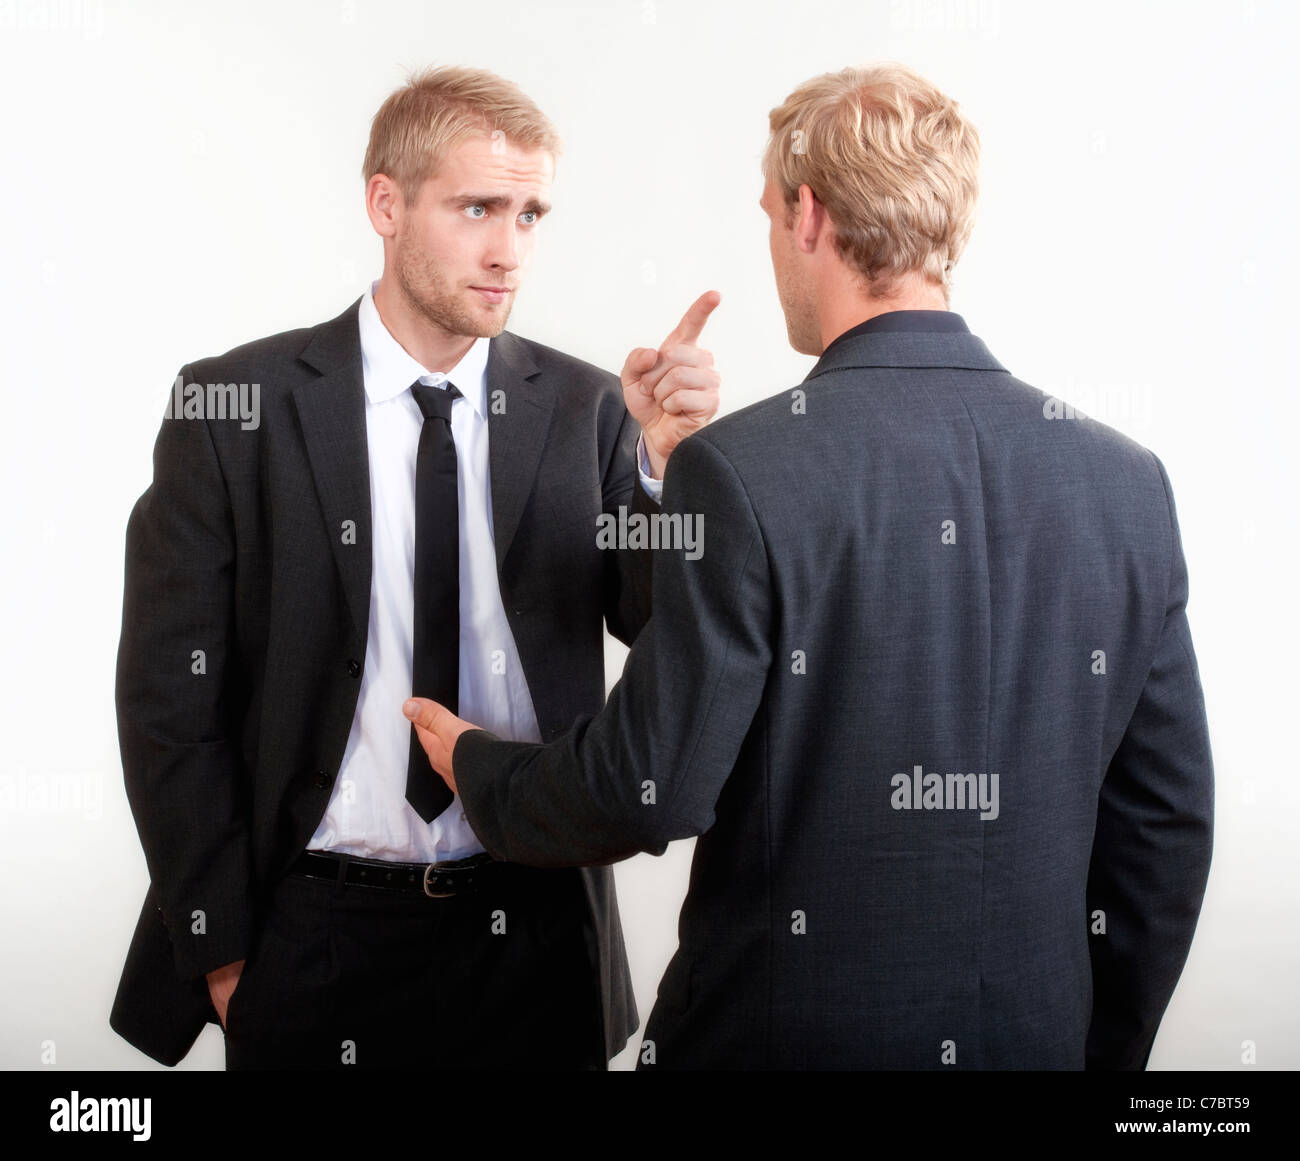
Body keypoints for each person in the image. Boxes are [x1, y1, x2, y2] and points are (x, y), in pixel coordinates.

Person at [407, 62, 1215, 1070]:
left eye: (767, 215)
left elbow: (647, 787)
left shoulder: (744, 471)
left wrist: (478, 765)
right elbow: (1164, 826)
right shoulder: (1125, 482)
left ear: (807, 215)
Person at [110, 65, 720, 1069]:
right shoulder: (234, 409)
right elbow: (167, 708)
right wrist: (223, 964)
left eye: (529, 214)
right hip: (313, 933)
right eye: (476, 207)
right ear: (384, 204)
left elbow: (654, 622)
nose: (506, 250)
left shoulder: (587, 409)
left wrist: (660, 468)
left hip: (533, 934)